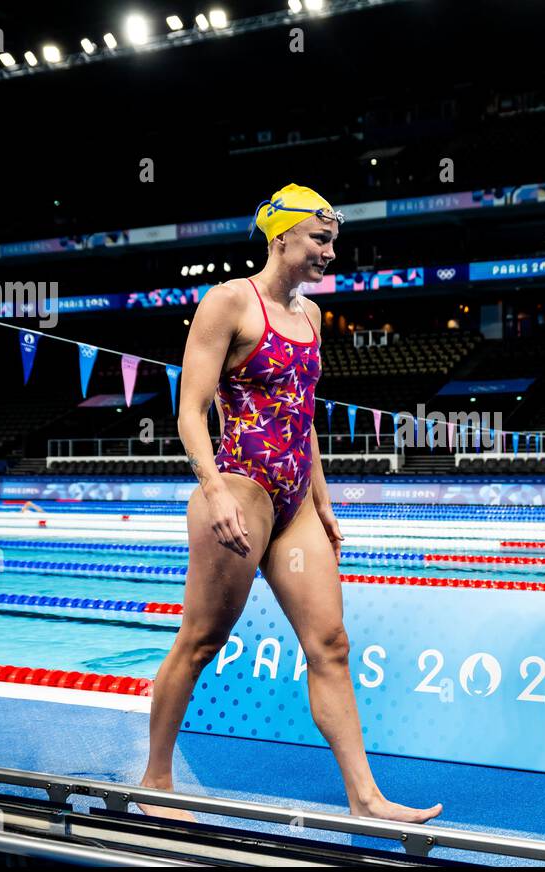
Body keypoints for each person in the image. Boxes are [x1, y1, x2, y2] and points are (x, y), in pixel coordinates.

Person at [137, 184, 441, 824]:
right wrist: (215, 488)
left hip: (296, 497)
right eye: (320, 239)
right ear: (281, 237)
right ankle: (156, 783)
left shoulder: (312, 317)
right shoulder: (228, 302)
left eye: (334, 242)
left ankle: (366, 797)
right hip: (241, 488)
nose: (330, 252)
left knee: (330, 642)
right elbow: (190, 409)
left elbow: (303, 420)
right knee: (199, 640)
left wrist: (324, 505)